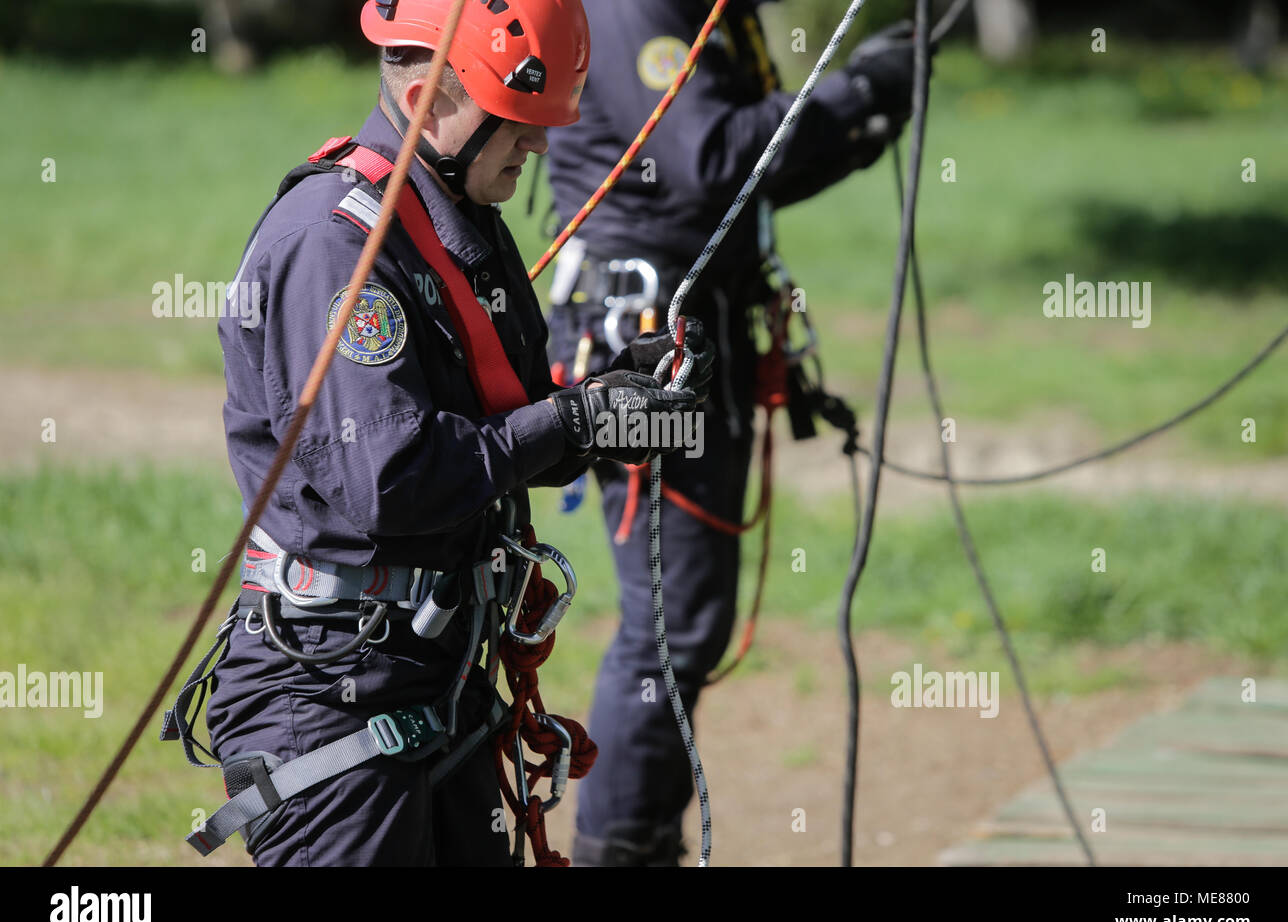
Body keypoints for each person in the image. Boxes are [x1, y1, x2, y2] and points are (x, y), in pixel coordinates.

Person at [174, 0, 713, 867]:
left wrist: (617, 400)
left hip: (439, 669)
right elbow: (396, 482)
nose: (539, 149)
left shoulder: (453, 222)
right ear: (431, 98)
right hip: (331, 688)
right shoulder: (335, 248)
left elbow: (501, 425)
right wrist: (571, 419)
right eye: (520, 127)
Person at [544, 1, 927, 865]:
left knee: (688, 620)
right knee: (672, 622)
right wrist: (859, 90)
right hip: (649, 340)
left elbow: (753, 161)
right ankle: (621, 851)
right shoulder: (639, 4)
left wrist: (865, 105)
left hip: (697, 324)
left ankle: (637, 841)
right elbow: (713, 153)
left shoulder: (707, 7)